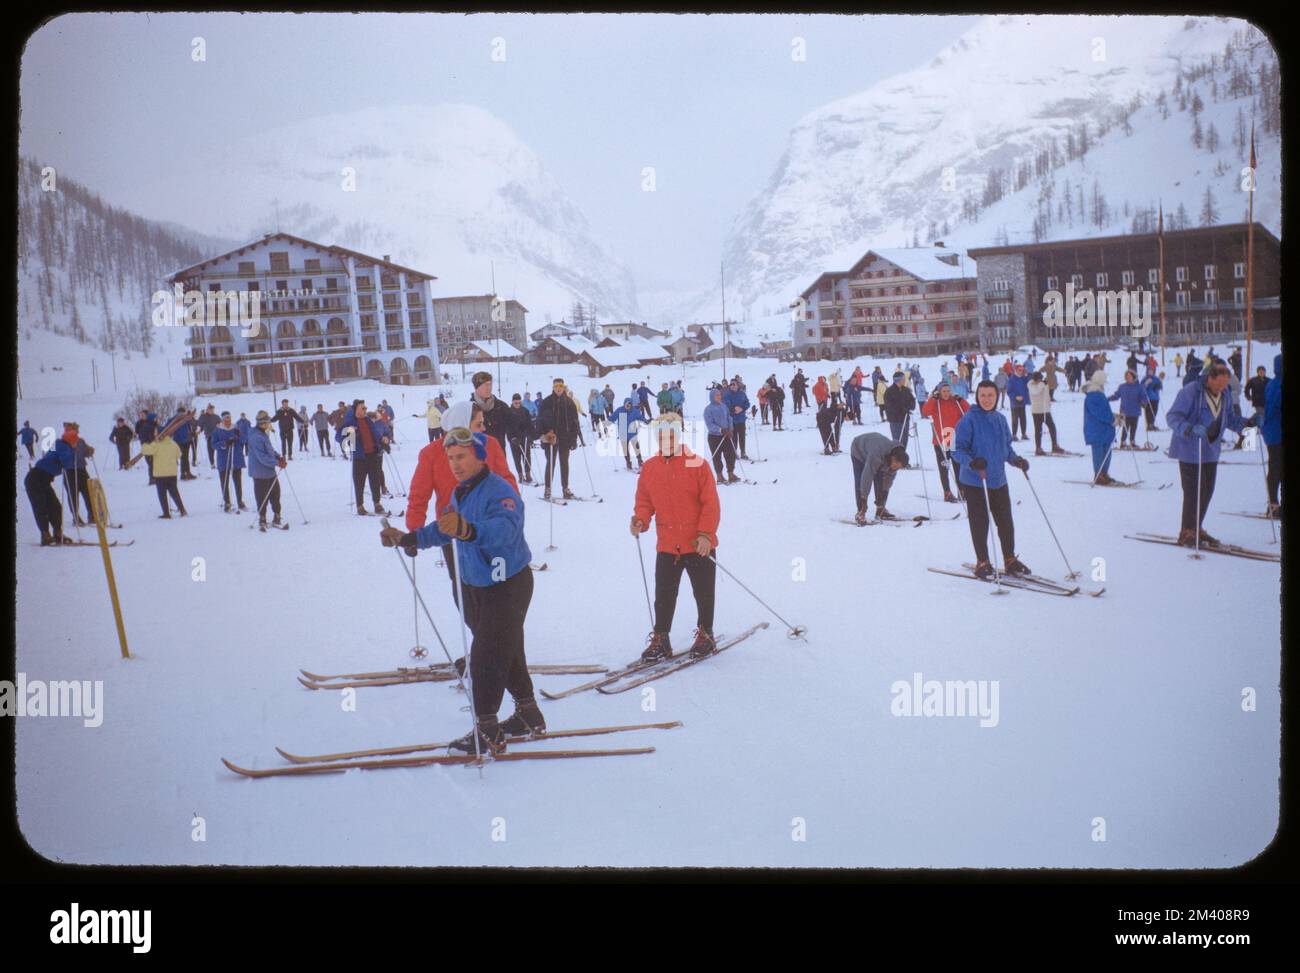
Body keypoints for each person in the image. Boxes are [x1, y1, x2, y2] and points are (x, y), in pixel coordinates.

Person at [382, 427, 540, 753]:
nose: (454, 464)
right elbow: (445, 528)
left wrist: (469, 529)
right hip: (478, 584)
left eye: (462, 457)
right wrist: (409, 538)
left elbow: (505, 529)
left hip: (508, 584)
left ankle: (487, 730)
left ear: (479, 456)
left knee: (484, 657)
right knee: (507, 651)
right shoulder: (460, 492)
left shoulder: (500, 490)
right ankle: (528, 713)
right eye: (451, 458)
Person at [631, 413, 721, 662]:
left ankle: (706, 633)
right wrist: (640, 519)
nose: (666, 440)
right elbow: (645, 501)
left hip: (698, 544)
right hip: (669, 545)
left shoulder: (697, 464)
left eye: (671, 435)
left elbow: (710, 504)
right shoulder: (650, 467)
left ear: (678, 436)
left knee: (703, 593)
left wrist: (705, 534)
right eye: (661, 436)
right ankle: (661, 638)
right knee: (664, 595)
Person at [406, 400, 519, 595]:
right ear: (461, 426)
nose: (483, 428)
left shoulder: (490, 444)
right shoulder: (431, 454)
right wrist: (414, 533)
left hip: (486, 528)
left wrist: (512, 514)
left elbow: (506, 479)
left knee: (497, 587)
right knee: (464, 590)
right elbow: (419, 495)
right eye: (478, 424)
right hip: (452, 531)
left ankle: (495, 624)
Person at [1165, 361, 1254, 547]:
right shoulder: (1191, 392)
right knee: (1193, 492)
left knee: (1207, 491)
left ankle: (1197, 527)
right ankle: (1186, 531)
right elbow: (1172, 416)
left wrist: (1247, 424)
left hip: (1211, 451)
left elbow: (1229, 419)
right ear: (1209, 378)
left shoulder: (1226, 394)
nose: (1222, 388)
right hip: (1190, 450)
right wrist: (1188, 428)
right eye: (1219, 384)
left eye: (1225, 385)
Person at [952, 381, 1031, 579]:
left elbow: (1006, 449)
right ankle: (983, 561)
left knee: (1005, 522)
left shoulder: (1001, 420)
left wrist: (1016, 460)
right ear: (977, 397)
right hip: (975, 481)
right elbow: (956, 450)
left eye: (991, 395)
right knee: (980, 522)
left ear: (997, 397)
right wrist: (971, 462)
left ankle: (1010, 559)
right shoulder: (968, 420)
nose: (987, 399)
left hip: (998, 479)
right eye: (983, 395)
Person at [921, 381, 970, 503]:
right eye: (944, 391)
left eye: (948, 391)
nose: (946, 394)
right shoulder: (936, 403)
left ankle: (962, 491)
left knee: (959, 467)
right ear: (939, 392)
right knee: (944, 468)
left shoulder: (955, 402)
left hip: (955, 441)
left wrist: (961, 400)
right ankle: (947, 492)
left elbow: (968, 411)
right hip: (940, 442)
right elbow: (926, 412)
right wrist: (933, 398)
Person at [26, 428, 77, 545]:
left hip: (42, 479)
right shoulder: (63, 447)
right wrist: (73, 453)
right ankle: (45, 535)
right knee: (41, 507)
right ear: (71, 440)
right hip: (36, 478)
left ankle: (57, 533)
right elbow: (67, 462)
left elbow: (51, 456)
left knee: (55, 506)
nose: (76, 443)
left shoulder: (58, 444)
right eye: (75, 441)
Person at [340, 399, 389, 515]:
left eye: (365, 408)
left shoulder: (367, 420)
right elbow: (339, 436)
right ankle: (360, 505)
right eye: (363, 408)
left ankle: (377, 504)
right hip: (359, 457)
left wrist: (382, 439)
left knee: (375, 480)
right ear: (356, 409)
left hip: (372, 454)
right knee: (359, 482)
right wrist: (349, 433)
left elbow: (375, 433)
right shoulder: (350, 422)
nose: (365, 410)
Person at [536, 378, 580, 500]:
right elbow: (540, 421)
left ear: (564, 387)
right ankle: (547, 489)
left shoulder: (569, 402)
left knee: (564, 464)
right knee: (550, 463)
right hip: (551, 438)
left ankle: (565, 489)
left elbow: (575, 422)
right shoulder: (546, 402)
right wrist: (543, 436)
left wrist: (574, 439)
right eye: (556, 386)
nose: (559, 388)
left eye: (561, 386)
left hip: (565, 438)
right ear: (553, 387)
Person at [849, 432, 909, 523]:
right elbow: (867, 476)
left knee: (880, 479)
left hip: (875, 452)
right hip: (858, 449)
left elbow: (887, 481)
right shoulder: (878, 452)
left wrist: (881, 502)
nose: (895, 468)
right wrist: (864, 499)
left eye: (898, 468)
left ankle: (881, 510)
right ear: (893, 458)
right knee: (860, 479)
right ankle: (860, 511)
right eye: (896, 465)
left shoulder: (895, 460)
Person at [246, 410, 287, 529]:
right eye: (268, 422)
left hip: (269, 471)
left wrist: (278, 456)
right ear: (263, 423)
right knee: (262, 496)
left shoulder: (263, 433)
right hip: (260, 472)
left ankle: (277, 515)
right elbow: (262, 457)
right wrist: (277, 463)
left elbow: (269, 450)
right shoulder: (256, 437)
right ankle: (262, 518)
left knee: (275, 493)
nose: (270, 424)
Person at [141, 428, 186, 519]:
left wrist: (144, 444)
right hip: (172, 473)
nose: (154, 434)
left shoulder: (156, 445)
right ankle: (182, 510)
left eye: (155, 432)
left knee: (162, 494)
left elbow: (145, 451)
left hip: (160, 474)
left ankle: (166, 513)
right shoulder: (173, 444)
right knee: (174, 492)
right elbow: (179, 455)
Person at [1082, 370, 1118, 485]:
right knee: (1098, 453)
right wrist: (1112, 419)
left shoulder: (1099, 393)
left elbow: (1104, 411)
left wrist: (1115, 416)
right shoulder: (1093, 395)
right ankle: (1098, 475)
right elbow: (1099, 413)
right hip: (1097, 429)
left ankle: (1104, 474)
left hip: (1105, 429)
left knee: (1107, 453)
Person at [212, 412, 247, 511]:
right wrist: (225, 443)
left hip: (236, 459)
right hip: (223, 460)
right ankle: (227, 502)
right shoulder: (217, 430)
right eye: (226, 419)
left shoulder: (235, 428)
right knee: (224, 482)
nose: (228, 421)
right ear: (222, 420)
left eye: (229, 419)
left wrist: (239, 435)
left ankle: (240, 501)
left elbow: (243, 441)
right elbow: (213, 445)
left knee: (238, 482)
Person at [703, 387, 738, 483]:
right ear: (712, 397)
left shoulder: (724, 406)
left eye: (719, 395)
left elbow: (729, 418)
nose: (719, 397)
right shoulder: (708, 409)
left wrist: (730, 428)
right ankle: (719, 476)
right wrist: (721, 430)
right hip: (714, 437)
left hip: (727, 435)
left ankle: (731, 474)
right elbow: (710, 424)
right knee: (717, 457)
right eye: (717, 395)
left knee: (730, 454)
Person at [1263, 354, 1282, 519]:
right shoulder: (1278, 385)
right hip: (1277, 433)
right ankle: (1273, 504)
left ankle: (1273, 503)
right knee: (1276, 468)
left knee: (1276, 468)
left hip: (1272, 432)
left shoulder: (1272, 383)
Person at [1028, 371, 1064, 455]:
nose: (1041, 380)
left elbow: (1046, 395)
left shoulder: (1042, 385)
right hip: (1037, 411)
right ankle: (1038, 448)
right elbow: (1035, 392)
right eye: (1040, 379)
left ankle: (1054, 446)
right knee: (1038, 430)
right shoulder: (1031, 385)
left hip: (1045, 410)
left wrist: (1048, 404)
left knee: (1052, 427)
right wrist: (1042, 385)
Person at [1109, 370, 1145, 448]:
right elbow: (1116, 395)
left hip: (1135, 411)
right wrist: (1108, 399)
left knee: (1133, 428)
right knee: (1125, 427)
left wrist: (1143, 402)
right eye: (1126, 376)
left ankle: (1132, 442)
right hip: (1124, 411)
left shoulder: (1139, 387)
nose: (1128, 378)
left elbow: (1143, 396)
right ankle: (1123, 442)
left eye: (1129, 376)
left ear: (1134, 377)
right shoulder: (1122, 386)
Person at [608, 396, 645, 471]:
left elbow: (640, 417)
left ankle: (640, 461)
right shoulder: (619, 410)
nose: (628, 406)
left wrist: (646, 420)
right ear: (624, 404)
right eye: (626, 404)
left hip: (632, 432)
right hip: (623, 433)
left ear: (631, 404)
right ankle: (628, 463)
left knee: (636, 448)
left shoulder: (634, 411)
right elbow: (612, 418)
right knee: (625, 449)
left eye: (629, 404)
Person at [505, 394, 535, 483]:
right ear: (512, 402)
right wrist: (511, 438)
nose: (517, 404)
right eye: (515, 402)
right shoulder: (509, 412)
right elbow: (507, 427)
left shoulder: (525, 411)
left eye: (518, 402)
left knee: (527, 456)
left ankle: (528, 474)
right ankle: (520, 475)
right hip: (514, 439)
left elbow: (530, 425)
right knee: (517, 458)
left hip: (524, 438)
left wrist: (530, 436)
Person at [883, 371, 915, 443]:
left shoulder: (906, 390)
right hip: (895, 421)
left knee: (904, 440)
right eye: (903, 378)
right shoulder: (889, 391)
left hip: (905, 419)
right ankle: (897, 454)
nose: (904, 380)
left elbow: (912, 401)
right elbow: (889, 406)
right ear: (898, 380)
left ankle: (902, 453)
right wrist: (902, 409)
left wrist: (910, 406)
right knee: (897, 441)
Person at [723, 378, 751, 459]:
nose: (733, 386)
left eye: (734, 384)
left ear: (737, 385)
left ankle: (743, 452)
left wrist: (742, 408)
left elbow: (747, 403)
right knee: (734, 437)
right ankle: (734, 453)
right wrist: (734, 409)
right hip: (732, 420)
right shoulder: (727, 394)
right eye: (731, 384)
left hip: (741, 419)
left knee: (742, 437)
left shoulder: (742, 393)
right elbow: (726, 405)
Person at [1005, 363, 1030, 440]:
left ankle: (1023, 434)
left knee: (1023, 419)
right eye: (1020, 370)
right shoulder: (1012, 379)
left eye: (1022, 370)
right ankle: (1014, 435)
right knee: (1015, 419)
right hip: (1014, 403)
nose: (1021, 372)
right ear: (1016, 370)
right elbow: (1009, 391)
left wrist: (1026, 374)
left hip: (1022, 402)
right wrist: (1015, 397)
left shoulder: (1024, 378)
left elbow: (1029, 383)